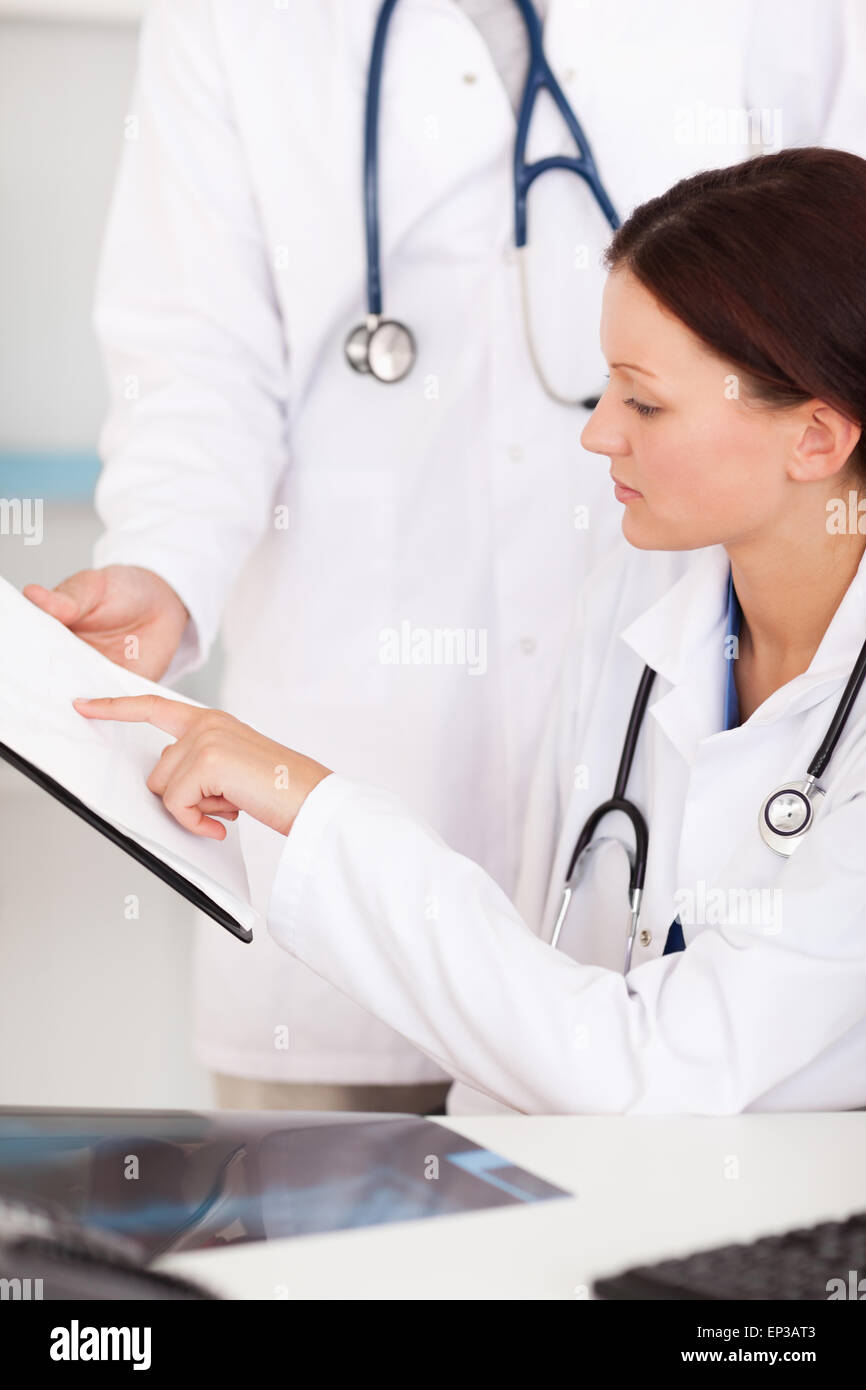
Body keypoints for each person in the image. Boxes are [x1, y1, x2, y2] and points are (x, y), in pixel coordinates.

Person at [29, 1, 866, 1114]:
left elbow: (828, 259)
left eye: (641, 401)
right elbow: (194, 361)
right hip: (377, 720)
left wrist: (308, 801)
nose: (593, 435)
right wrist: (166, 571)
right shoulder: (642, 613)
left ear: (813, 431)